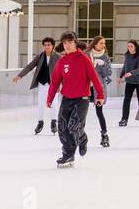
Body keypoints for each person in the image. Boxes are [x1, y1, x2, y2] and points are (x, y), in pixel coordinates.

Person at [45, 32, 106, 168]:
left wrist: (100, 95)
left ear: (75, 43)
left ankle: (82, 137)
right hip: (67, 98)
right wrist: (50, 98)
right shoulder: (62, 61)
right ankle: (68, 154)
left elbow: (95, 78)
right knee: (62, 127)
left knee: (74, 126)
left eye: (70, 42)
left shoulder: (84, 59)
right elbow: (55, 82)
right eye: (65, 43)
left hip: (82, 98)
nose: (67, 45)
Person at [13, 35, 60, 135]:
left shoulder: (58, 57)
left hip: (53, 85)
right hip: (42, 84)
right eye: (45, 45)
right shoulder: (40, 56)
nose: (47, 47)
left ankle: (53, 122)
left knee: (54, 104)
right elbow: (30, 66)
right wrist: (20, 76)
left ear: (53, 46)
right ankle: (40, 122)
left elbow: (63, 72)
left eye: (49, 45)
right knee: (41, 103)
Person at [89, 36, 113, 147]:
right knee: (80, 111)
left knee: (99, 112)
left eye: (104, 43)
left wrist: (103, 64)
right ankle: (78, 134)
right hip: (86, 88)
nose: (103, 45)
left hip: (98, 89)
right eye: (101, 43)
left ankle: (104, 135)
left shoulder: (105, 57)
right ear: (95, 44)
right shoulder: (87, 55)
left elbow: (108, 73)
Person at [118, 40, 139, 127]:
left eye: (131, 46)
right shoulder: (127, 55)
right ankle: (124, 119)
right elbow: (125, 66)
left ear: (135, 47)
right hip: (129, 81)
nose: (129, 48)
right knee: (126, 100)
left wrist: (131, 73)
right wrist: (121, 76)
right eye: (128, 46)